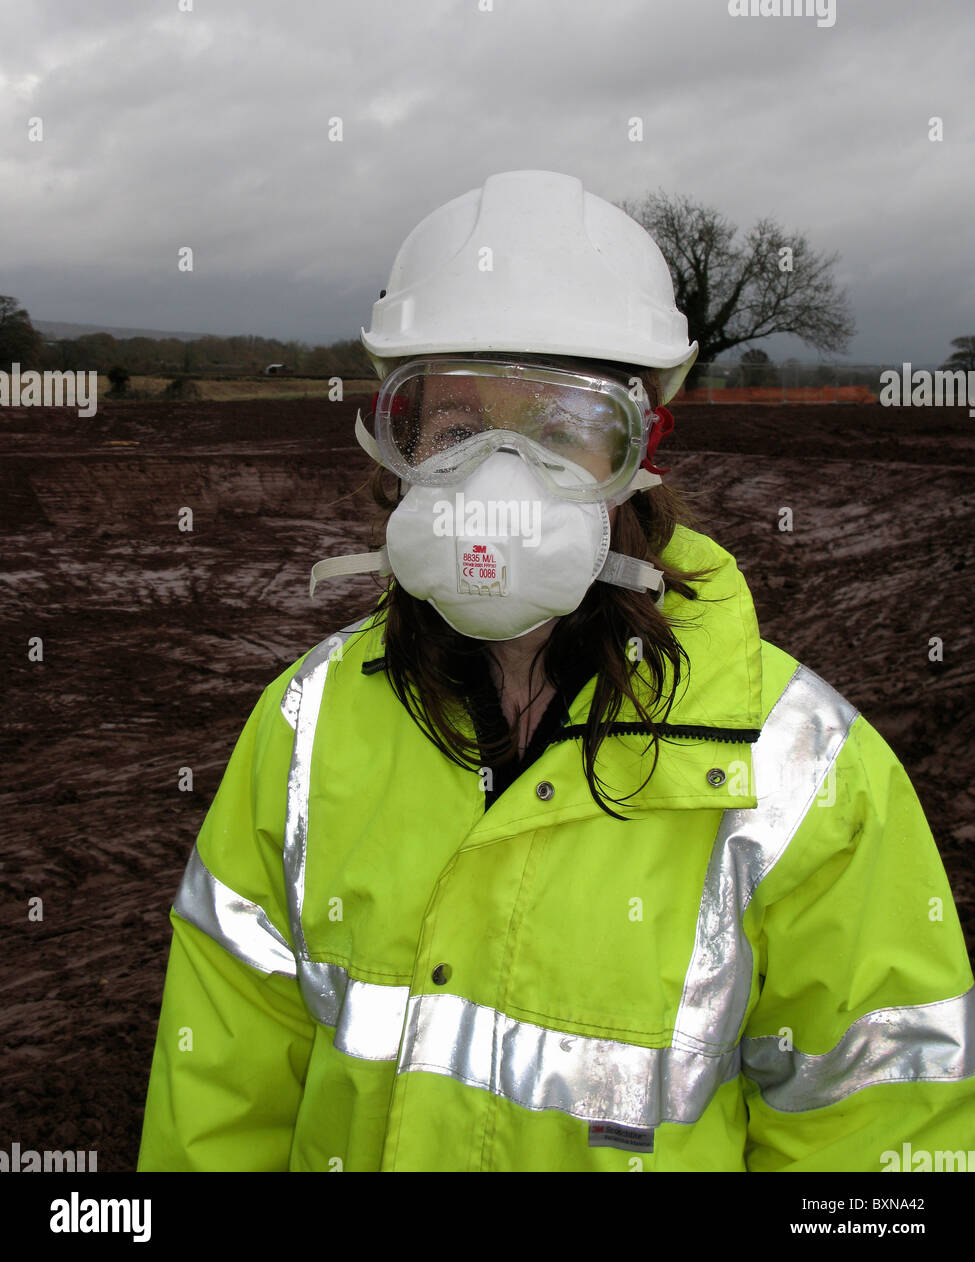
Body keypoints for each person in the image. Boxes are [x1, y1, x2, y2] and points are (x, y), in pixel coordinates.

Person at [138, 170, 975, 1173]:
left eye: (561, 427)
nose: (500, 477)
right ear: (396, 443)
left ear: (640, 450)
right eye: (454, 428)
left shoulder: (804, 779)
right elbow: (219, 1102)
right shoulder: (305, 730)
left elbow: (878, 1140)